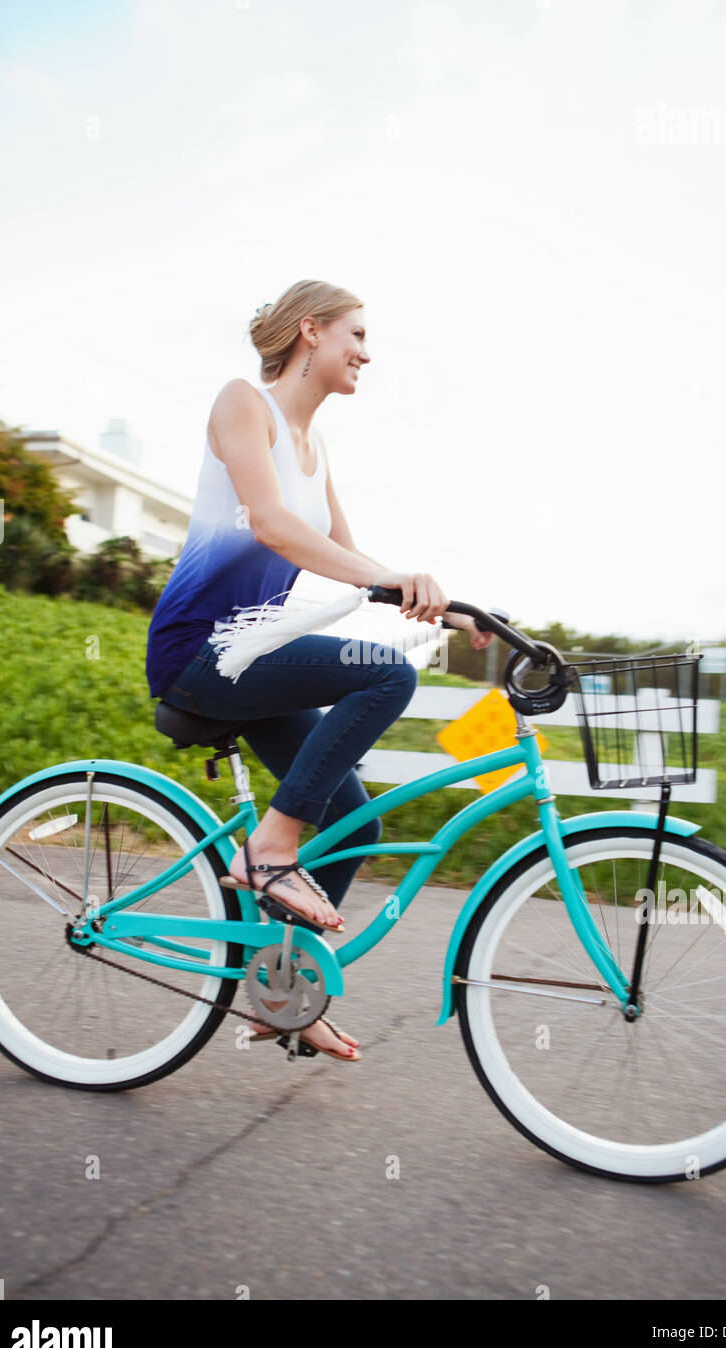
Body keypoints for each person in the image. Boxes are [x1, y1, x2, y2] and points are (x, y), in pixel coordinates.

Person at [146, 279, 493, 1058]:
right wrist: (391, 581)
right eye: (357, 335)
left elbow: (349, 562)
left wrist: (445, 605)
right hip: (201, 651)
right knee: (386, 674)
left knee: (355, 819)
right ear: (311, 331)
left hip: (255, 655)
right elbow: (270, 525)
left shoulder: (317, 448)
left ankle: (281, 999)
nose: (367, 353)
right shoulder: (245, 403)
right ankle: (269, 850)